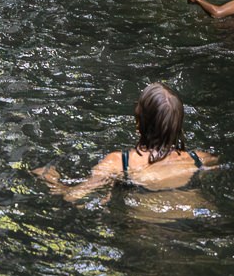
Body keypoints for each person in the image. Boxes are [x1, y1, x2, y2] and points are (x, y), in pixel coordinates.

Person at [35, 83, 217, 201]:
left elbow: (73, 196)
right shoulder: (200, 159)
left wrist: (51, 179)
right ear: (179, 126)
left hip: (146, 229)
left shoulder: (119, 162)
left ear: (139, 122)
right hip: (190, 222)